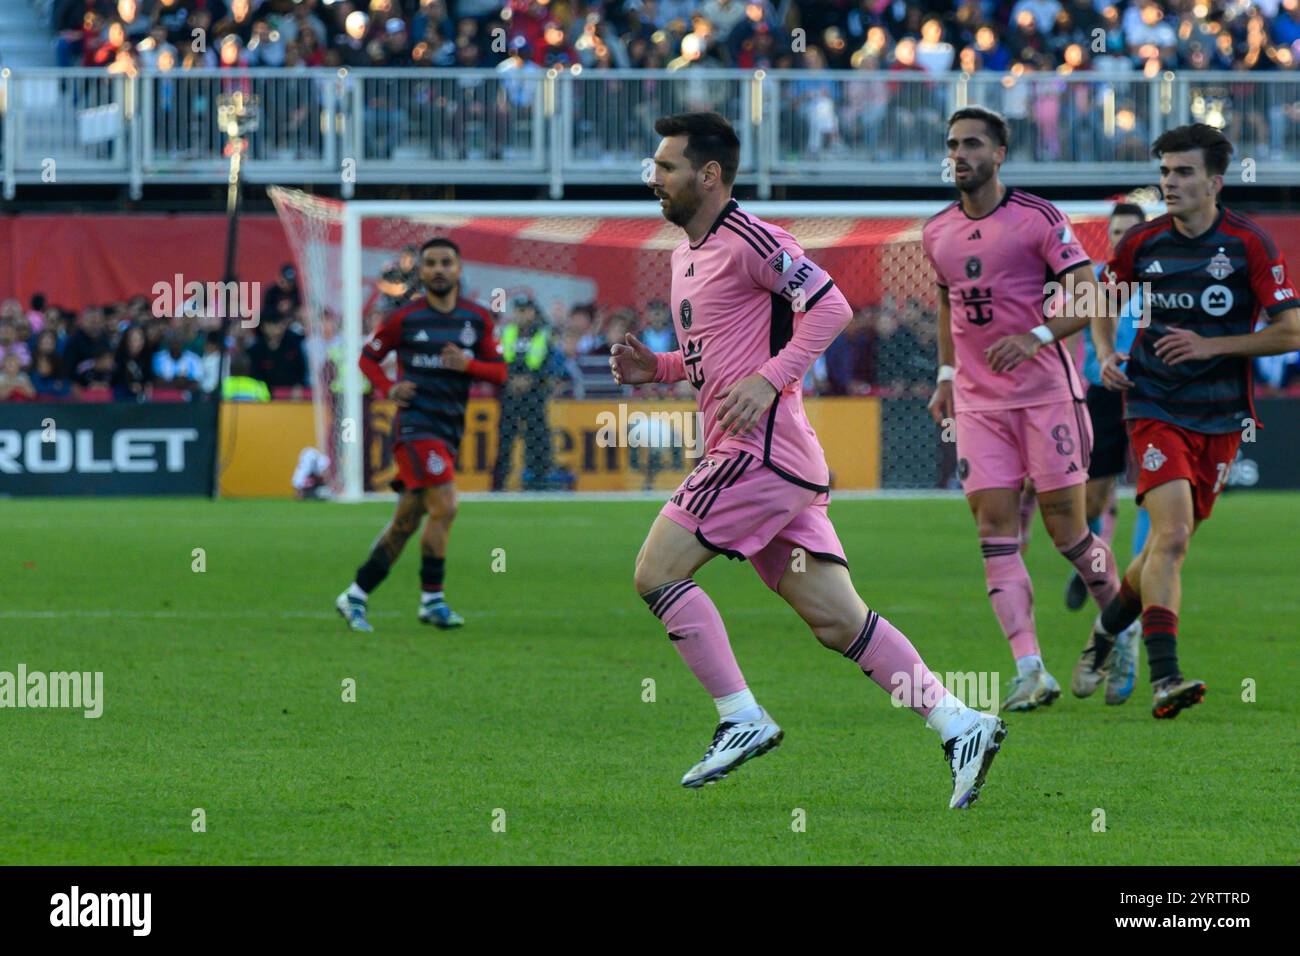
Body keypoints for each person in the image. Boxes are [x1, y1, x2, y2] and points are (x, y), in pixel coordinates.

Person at [613, 111, 1005, 809]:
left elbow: (831, 306)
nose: (656, 178)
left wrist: (770, 381)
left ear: (709, 175)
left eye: (667, 167)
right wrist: (660, 367)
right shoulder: (686, 256)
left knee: (655, 571)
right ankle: (960, 723)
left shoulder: (751, 237)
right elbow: (715, 358)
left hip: (758, 453)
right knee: (836, 620)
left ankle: (741, 717)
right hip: (776, 460)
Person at [1080, 124, 1300, 718]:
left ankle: (1105, 632)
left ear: (1215, 182)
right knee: (1171, 538)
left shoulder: (1249, 244)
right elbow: (1099, 299)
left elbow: (1290, 329)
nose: (1170, 183)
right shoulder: (1143, 242)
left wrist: (1211, 347)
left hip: (1222, 416)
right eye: (1166, 172)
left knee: (1162, 548)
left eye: (1183, 173)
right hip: (1152, 403)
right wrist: (1104, 354)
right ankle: (1165, 679)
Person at [922, 105, 1121, 712]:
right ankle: (1030, 668)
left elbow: (1089, 296)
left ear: (1000, 154)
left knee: (1068, 532)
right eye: (953, 144)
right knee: (993, 531)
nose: (961, 155)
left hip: (1047, 398)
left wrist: (1035, 336)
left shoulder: (1039, 218)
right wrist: (947, 374)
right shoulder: (936, 232)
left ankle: (1124, 624)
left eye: (973, 144)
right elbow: (946, 306)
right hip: (980, 407)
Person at [335, 237, 507, 632]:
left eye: (446, 262)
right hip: (415, 427)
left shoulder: (477, 319)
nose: (439, 269)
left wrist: (468, 365)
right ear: (422, 272)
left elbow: (499, 372)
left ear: (458, 269)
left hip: (449, 428)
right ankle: (433, 599)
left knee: (406, 523)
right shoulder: (405, 318)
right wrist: (387, 387)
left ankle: (355, 595)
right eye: (431, 263)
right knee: (446, 505)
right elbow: (368, 357)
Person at [1061, 202, 1150, 706]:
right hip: (1100, 393)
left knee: (1152, 494)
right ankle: (1090, 569)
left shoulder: (1157, 283)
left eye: (1131, 231)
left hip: (1150, 395)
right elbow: (1066, 324)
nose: (1123, 238)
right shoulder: (1094, 278)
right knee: (1092, 501)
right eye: (1117, 232)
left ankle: (1138, 574)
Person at [491, 295, 560, 491]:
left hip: (535, 394)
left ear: (532, 312)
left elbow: (551, 364)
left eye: (526, 310)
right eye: (518, 310)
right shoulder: (506, 333)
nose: (522, 314)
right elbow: (498, 361)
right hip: (509, 394)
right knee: (505, 439)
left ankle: (537, 481)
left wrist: (532, 379)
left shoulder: (543, 335)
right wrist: (511, 379)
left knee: (537, 438)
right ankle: (499, 484)